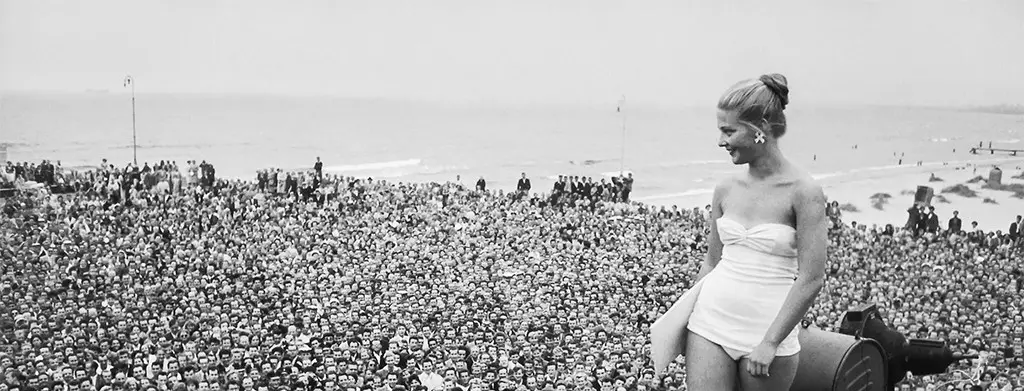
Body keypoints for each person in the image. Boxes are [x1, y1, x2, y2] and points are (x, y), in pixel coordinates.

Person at [684, 74, 827, 390]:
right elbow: (711, 262)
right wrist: (682, 319)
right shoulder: (725, 189)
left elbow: (811, 278)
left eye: (729, 131)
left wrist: (771, 341)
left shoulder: (804, 192)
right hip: (709, 323)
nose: (721, 141)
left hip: (767, 331)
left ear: (760, 127)